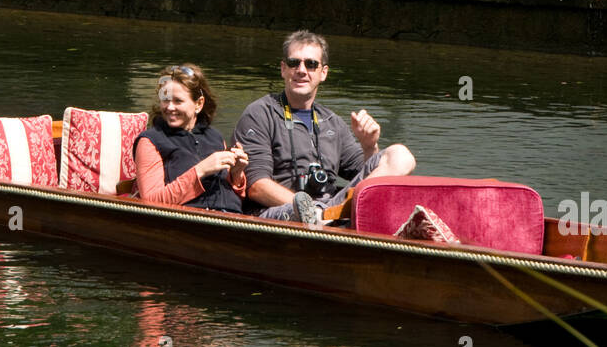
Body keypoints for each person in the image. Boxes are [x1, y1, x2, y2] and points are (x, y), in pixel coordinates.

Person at [233, 30, 417, 224]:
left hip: (330, 211)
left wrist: (369, 146)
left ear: (323, 73)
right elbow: (256, 186)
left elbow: (368, 180)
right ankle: (332, 216)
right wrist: (309, 210)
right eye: (294, 63)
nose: (302, 70)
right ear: (283, 69)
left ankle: (338, 215)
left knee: (400, 155)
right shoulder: (260, 113)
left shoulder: (333, 122)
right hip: (280, 213)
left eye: (311, 64)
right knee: (302, 210)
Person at [133, 65, 248, 212]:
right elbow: (150, 202)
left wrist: (236, 174)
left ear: (199, 104)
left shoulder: (215, 137)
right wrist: (200, 171)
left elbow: (237, 196)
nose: (169, 107)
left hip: (233, 219)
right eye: (165, 100)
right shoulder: (151, 141)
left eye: (178, 101)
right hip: (189, 223)